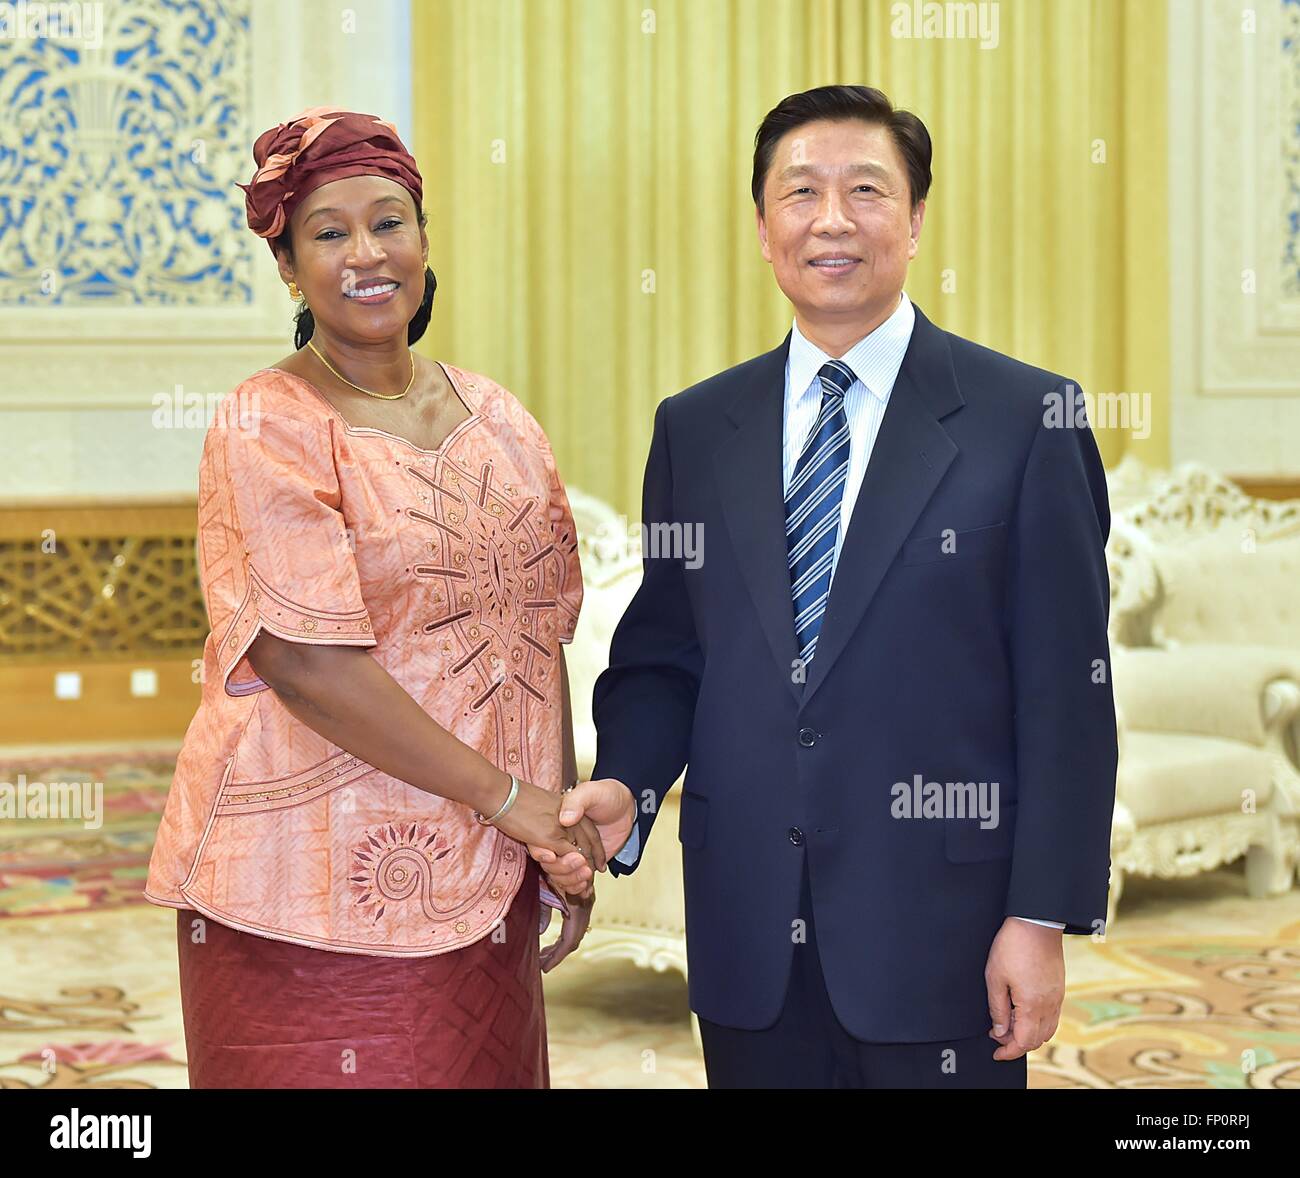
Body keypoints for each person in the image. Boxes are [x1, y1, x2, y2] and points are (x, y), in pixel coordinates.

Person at [537, 85, 1118, 1089]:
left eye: (866, 190)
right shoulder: (697, 426)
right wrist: (629, 783)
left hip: (943, 934)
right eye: (800, 193)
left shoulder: (1026, 418)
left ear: (916, 217)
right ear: (763, 228)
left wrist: (1038, 916)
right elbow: (666, 654)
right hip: (747, 928)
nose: (832, 219)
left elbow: (1069, 694)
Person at [144, 107, 603, 1089]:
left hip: (486, 866)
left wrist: (554, 827)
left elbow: (539, 635)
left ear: (425, 241)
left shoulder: (502, 418)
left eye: (388, 221)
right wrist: (514, 801)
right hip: (308, 887)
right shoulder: (266, 421)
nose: (366, 252)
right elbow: (304, 661)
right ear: (287, 267)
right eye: (327, 231)